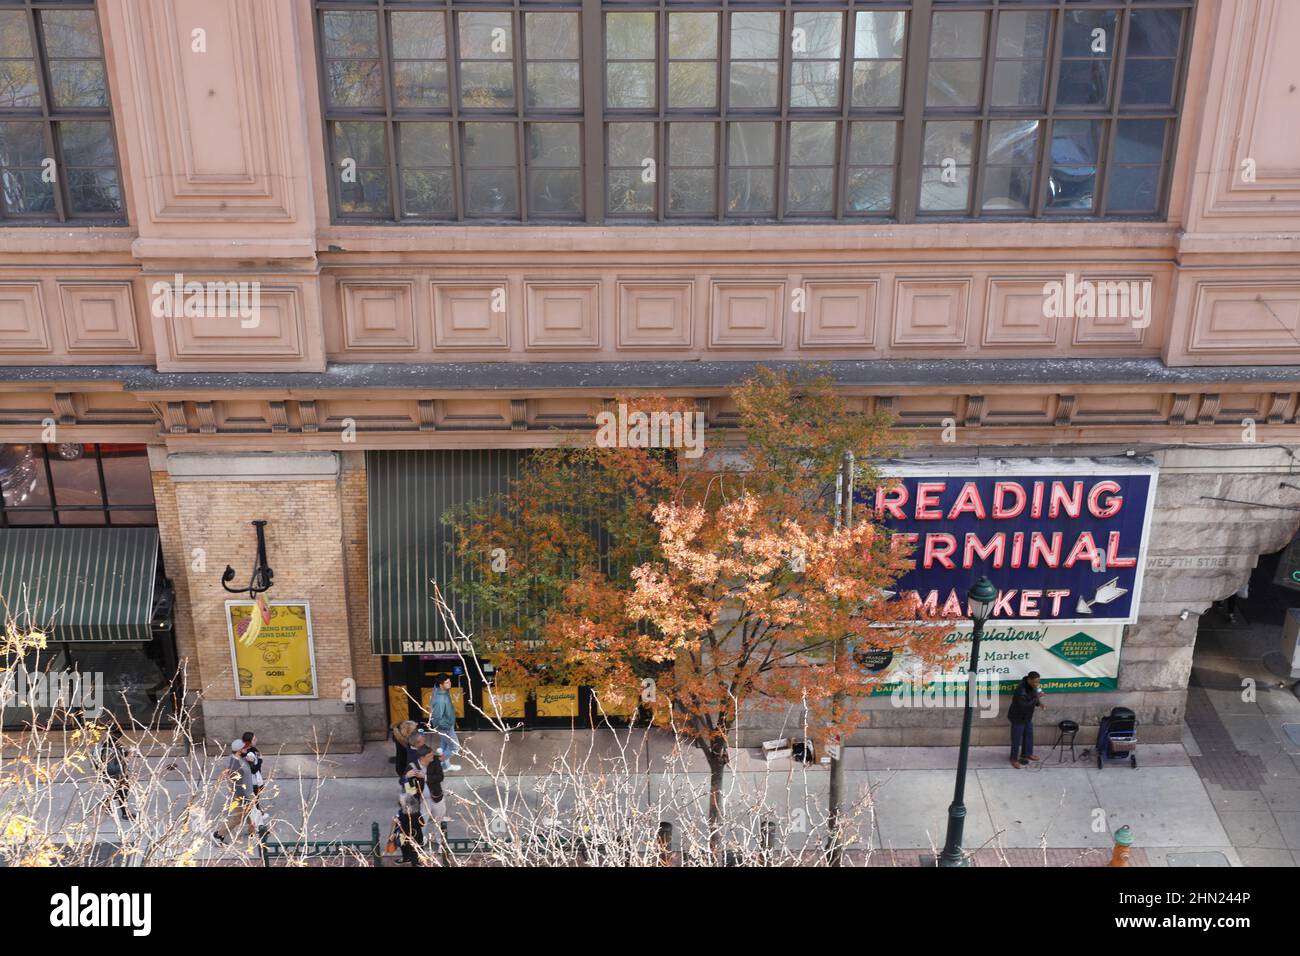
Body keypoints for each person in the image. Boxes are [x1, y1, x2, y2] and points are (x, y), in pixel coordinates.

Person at [213, 738, 259, 844]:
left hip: (247, 792)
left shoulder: (239, 759)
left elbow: (247, 772)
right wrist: (245, 799)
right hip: (241, 796)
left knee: (251, 813)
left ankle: (253, 831)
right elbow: (237, 786)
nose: (247, 749)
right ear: (239, 750)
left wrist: (250, 763)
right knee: (238, 818)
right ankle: (219, 835)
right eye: (245, 748)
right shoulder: (235, 765)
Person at [1008, 671, 1046, 768]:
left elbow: (1032, 699)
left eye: (1038, 682)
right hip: (1018, 717)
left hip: (1027, 717)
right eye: (1035, 682)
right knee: (1016, 739)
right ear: (1029, 680)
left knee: (1029, 735)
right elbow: (1024, 705)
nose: (1037, 684)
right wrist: (1037, 697)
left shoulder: (1032, 687)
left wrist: (1039, 704)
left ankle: (1027, 753)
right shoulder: (1021, 690)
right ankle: (1013, 759)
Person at [98, 723, 133, 821]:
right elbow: (111, 767)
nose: (119, 739)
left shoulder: (114, 745)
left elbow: (121, 754)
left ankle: (106, 803)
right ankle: (125, 814)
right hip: (115, 775)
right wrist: (126, 759)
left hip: (120, 774)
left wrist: (127, 754)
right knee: (122, 792)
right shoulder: (107, 750)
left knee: (119, 792)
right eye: (118, 737)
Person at [430, 676, 462, 771]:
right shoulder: (440, 700)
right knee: (455, 747)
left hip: (446, 724)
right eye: (447, 682)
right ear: (441, 685)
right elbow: (437, 718)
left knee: (444, 746)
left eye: (449, 681)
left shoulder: (441, 690)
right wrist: (447, 726)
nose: (450, 683)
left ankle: (446, 766)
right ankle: (439, 762)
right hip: (445, 727)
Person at [394, 792, 425, 866]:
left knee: (414, 853)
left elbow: (422, 824)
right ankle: (406, 858)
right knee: (404, 847)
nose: (399, 802)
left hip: (414, 837)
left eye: (401, 801)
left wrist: (400, 822)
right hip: (404, 835)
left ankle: (416, 863)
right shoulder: (402, 811)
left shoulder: (415, 813)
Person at [241, 731, 264, 799]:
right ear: (249, 742)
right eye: (254, 739)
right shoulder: (248, 755)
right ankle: (256, 809)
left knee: (256, 798)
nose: (256, 740)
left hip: (256, 779)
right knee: (253, 800)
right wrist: (260, 760)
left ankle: (257, 808)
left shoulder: (253, 749)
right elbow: (253, 770)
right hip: (252, 782)